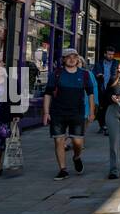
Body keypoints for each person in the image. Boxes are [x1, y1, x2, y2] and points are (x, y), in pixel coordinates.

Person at [42, 49, 97, 180]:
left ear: (78, 59)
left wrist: (92, 112)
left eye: (74, 57)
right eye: (68, 57)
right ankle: (63, 169)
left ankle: (76, 157)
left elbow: (90, 94)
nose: (72, 59)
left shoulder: (84, 75)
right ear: (63, 60)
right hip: (58, 112)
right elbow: (48, 94)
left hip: (77, 113)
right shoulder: (56, 74)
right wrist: (46, 112)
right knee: (59, 140)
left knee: (77, 142)